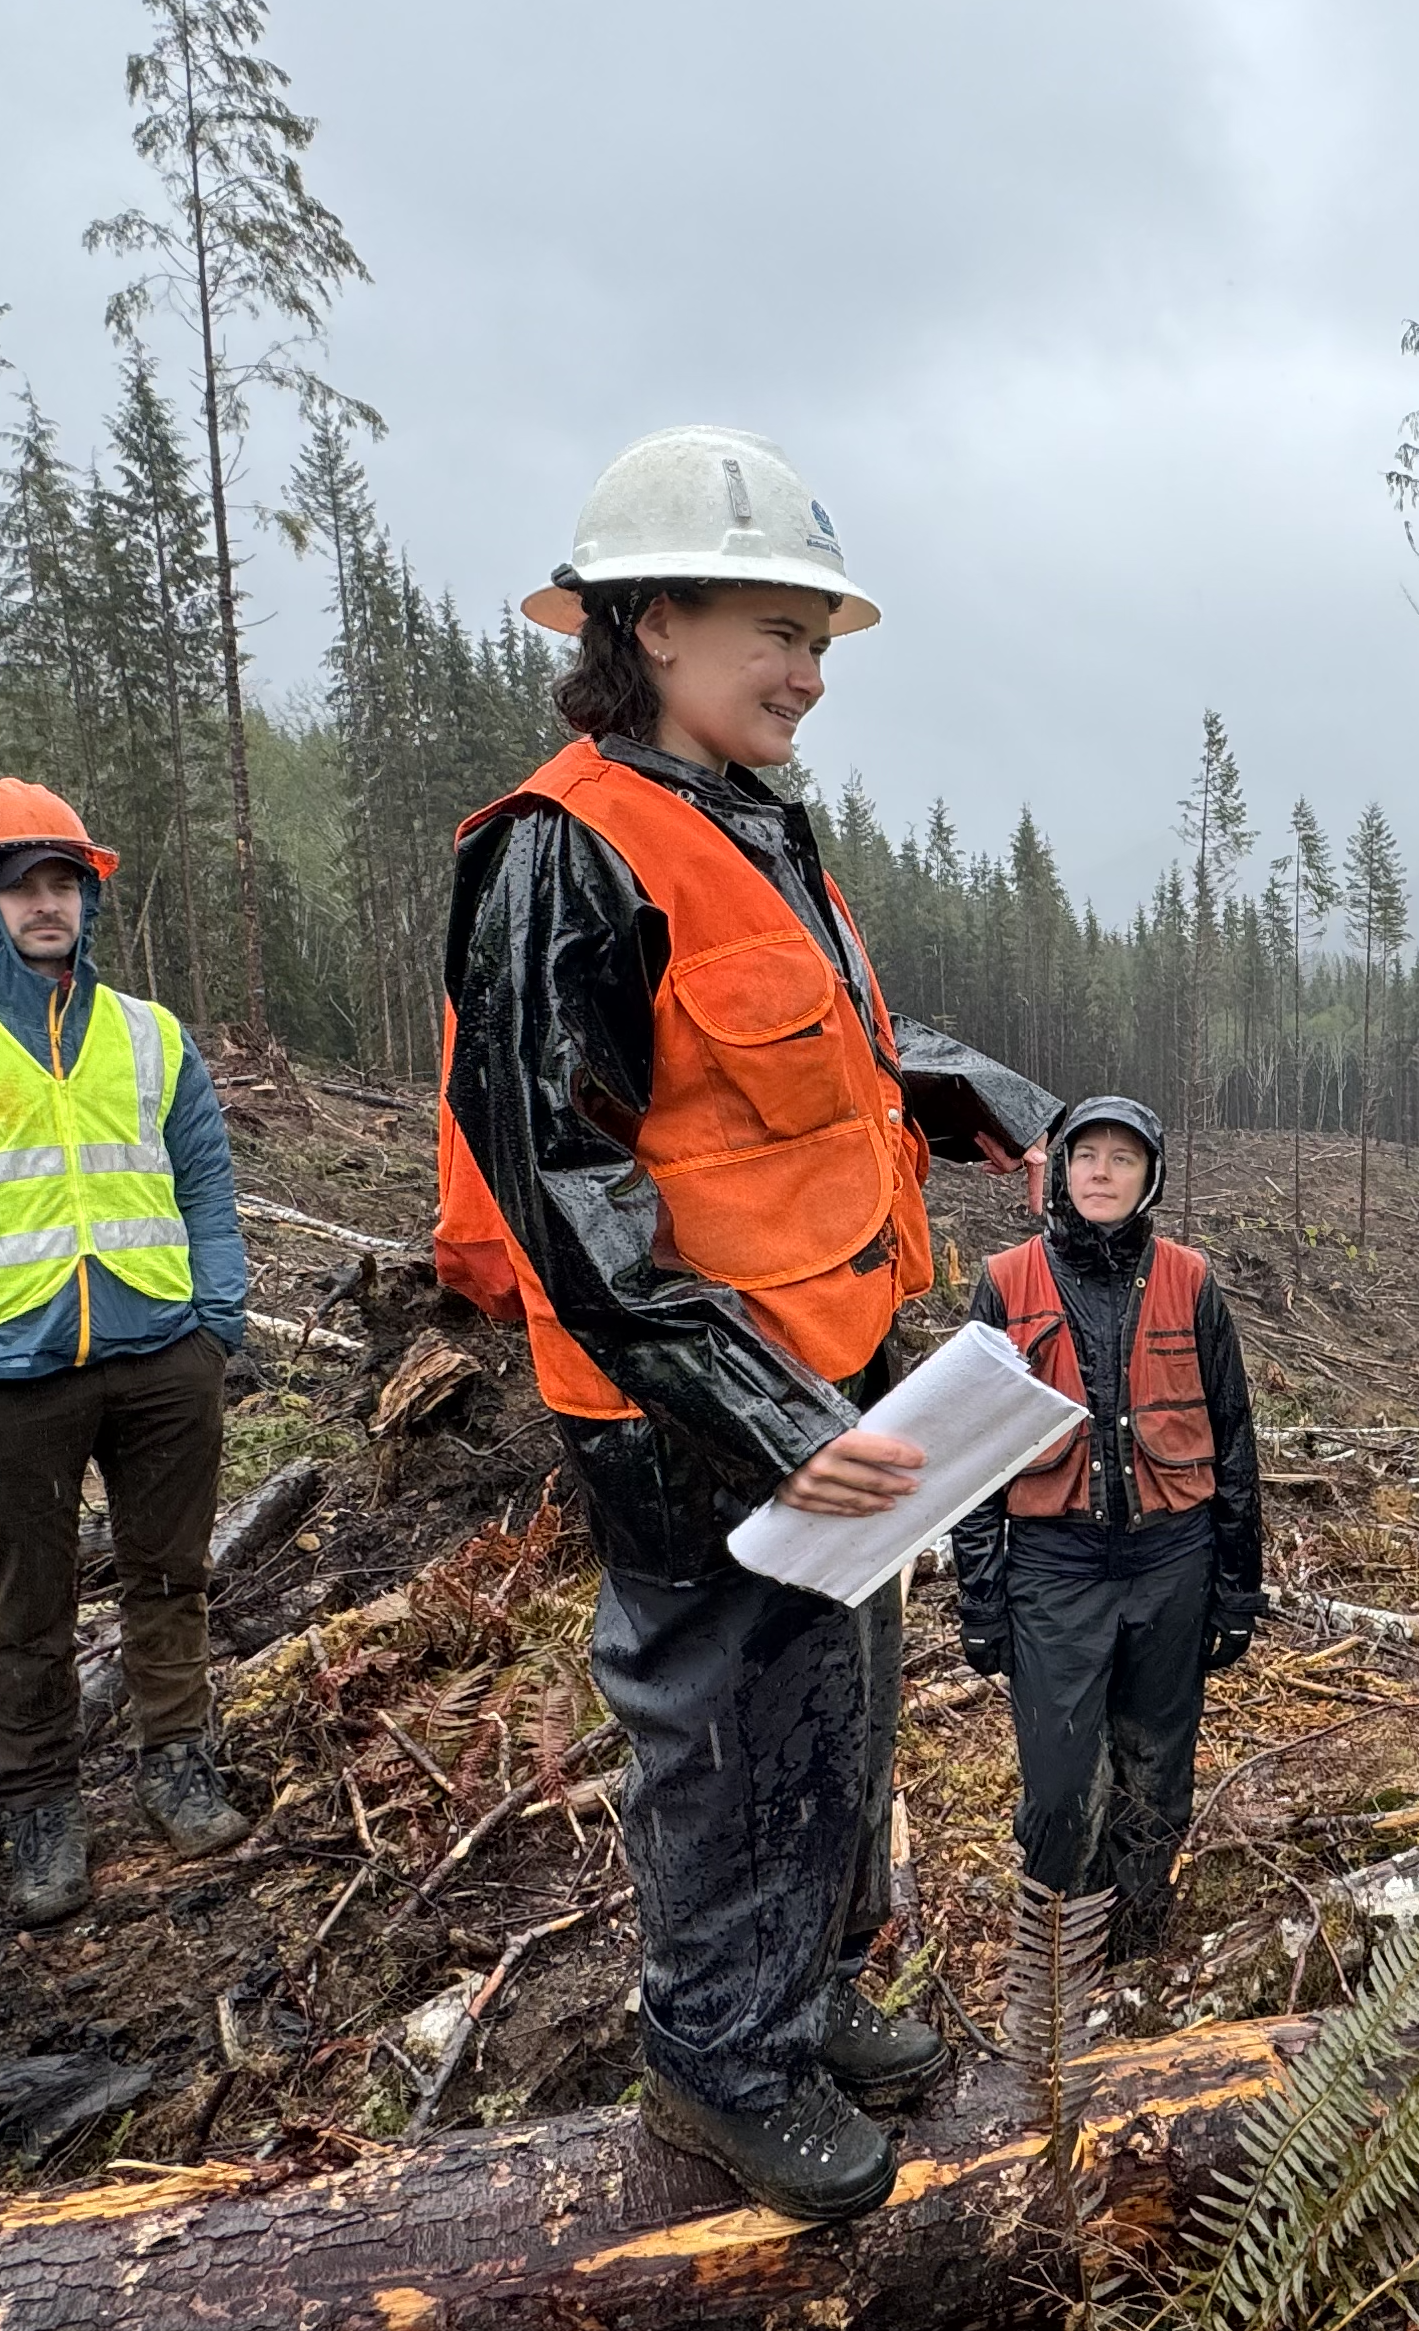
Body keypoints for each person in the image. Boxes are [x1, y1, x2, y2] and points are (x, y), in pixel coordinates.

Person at [439, 425, 1055, 2222]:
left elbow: (800, 1067)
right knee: (723, 1716)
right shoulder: (564, 851)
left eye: (820, 638)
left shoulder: (747, 823)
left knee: (827, 1702)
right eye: (772, 628)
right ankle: (714, 2057)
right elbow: (566, 1183)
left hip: (824, 1368)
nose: (805, 670)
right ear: (647, 624)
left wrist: (970, 1090)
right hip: (687, 1403)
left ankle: (797, 1996)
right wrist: (762, 1409)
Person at [0, 782, 254, 1930]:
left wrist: (217, 1320)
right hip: (6, 1381)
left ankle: (177, 1762)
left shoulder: (149, 1033)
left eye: (64, 879)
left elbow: (207, 1187)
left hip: (165, 1353)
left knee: (173, 1580)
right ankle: (40, 1811)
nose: (47, 901)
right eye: (20, 881)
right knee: (28, 1612)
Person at [949, 1096, 1266, 1960]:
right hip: (1054, 1569)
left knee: (1156, 1770)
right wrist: (979, 1597)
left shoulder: (1191, 1280)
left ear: (1148, 1177)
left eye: (1123, 1158)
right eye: (1086, 1154)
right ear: (1059, 1171)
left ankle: (1138, 1942)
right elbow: (971, 1454)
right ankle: (1061, 1955)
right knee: (1057, 1788)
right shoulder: (1007, 1281)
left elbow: (1233, 1439)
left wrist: (1239, 1588)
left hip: (1174, 1563)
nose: (1101, 1171)